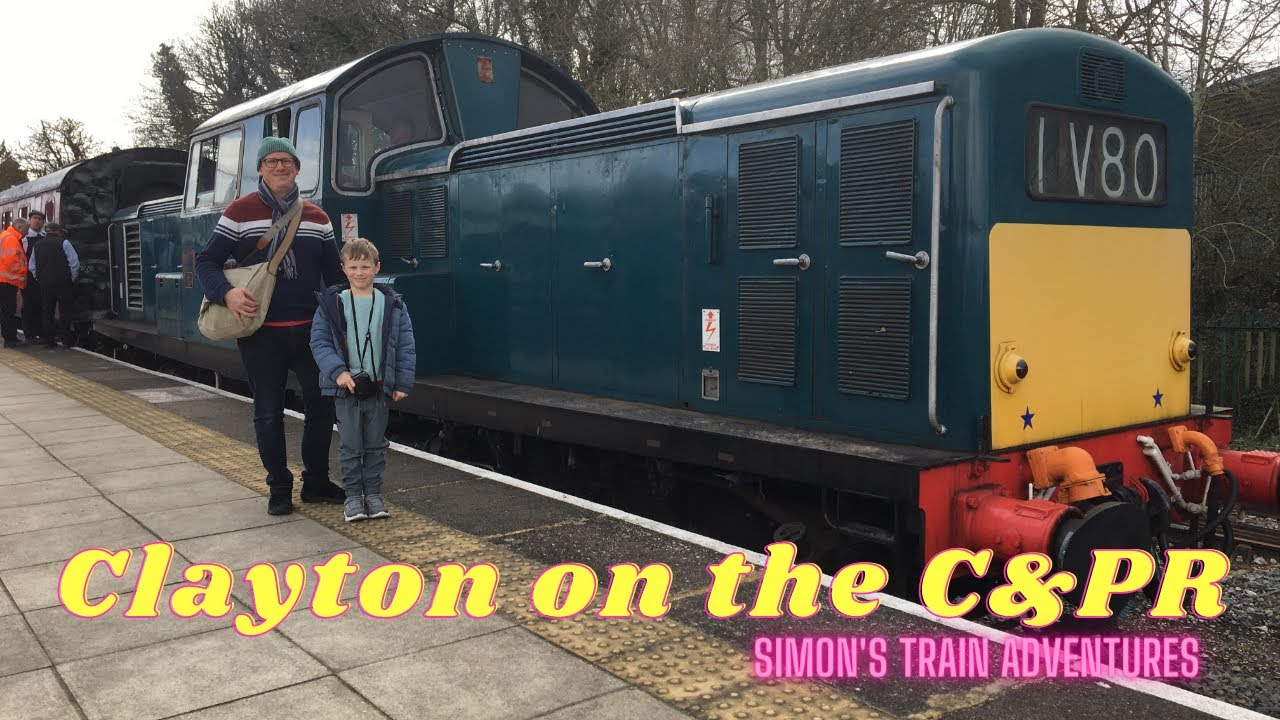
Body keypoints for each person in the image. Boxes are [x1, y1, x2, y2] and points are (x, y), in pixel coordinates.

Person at [195, 136, 346, 516]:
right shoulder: (240, 212)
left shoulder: (317, 217)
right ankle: (279, 486)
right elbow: (206, 261)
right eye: (272, 161)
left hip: (312, 331)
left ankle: (316, 482)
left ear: (297, 168)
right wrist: (227, 294)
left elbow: (333, 275)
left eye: (287, 161)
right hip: (261, 330)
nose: (280, 167)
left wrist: (349, 311)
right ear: (261, 168)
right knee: (267, 412)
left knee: (322, 408)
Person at [310, 238, 415, 522]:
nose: (359, 272)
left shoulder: (393, 304)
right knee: (350, 444)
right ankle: (353, 496)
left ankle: (374, 494)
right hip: (347, 388)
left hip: (379, 387)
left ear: (377, 268)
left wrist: (402, 383)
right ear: (344, 269)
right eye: (353, 267)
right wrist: (338, 372)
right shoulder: (331, 304)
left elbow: (405, 345)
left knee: (376, 444)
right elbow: (319, 342)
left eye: (365, 267)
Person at [29, 223, 80, 348]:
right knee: (65, 311)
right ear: (58, 231)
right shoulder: (64, 243)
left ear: (46, 232)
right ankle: (66, 341)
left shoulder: (37, 245)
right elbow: (74, 263)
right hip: (63, 283)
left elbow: (32, 266)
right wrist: (72, 278)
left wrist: (39, 278)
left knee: (47, 311)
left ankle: (49, 341)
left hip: (45, 284)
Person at [0, 218, 29, 348]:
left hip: (5, 280)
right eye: (26, 229)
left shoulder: (5, 235)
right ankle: (10, 339)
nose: (27, 232)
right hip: (8, 280)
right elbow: (11, 261)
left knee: (6, 310)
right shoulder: (11, 238)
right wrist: (23, 270)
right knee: (9, 310)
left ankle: (10, 337)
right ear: (19, 227)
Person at [21, 211, 45, 342]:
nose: (37, 221)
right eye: (35, 218)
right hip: (28, 278)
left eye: (40, 219)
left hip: (42, 277)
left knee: (41, 305)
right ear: (29, 220)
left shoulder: (44, 236)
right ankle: (29, 334)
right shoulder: (24, 238)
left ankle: (40, 332)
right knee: (29, 305)